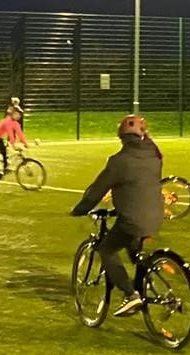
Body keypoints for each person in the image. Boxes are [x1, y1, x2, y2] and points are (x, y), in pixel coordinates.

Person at [69, 115, 165, 316]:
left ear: (121, 137)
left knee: (107, 249)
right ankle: (146, 279)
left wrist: (80, 209)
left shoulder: (118, 161)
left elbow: (97, 190)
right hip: (156, 215)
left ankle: (131, 295)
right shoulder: (154, 156)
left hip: (132, 218)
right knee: (133, 245)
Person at [0, 109, 28, 177]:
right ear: (13, 114)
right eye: (17, 114)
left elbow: (20, 134)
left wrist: (25, 143)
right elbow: (10, 133)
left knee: (4, 153)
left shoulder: (15, 123)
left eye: (20, 115)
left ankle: (2, 171)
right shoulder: (8, 121)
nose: (19, 116)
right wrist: (13, 144)